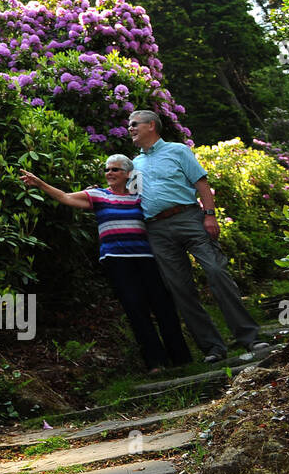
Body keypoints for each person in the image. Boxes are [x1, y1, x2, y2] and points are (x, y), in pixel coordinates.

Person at [19, 155, 192, 373]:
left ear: (128, 174)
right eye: (107, 169)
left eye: (115, 170)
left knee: (163, 307)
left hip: (147, 260)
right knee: (135, 310)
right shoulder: (97, 195)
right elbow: (65, 197)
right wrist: (39, 183)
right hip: (117, 262)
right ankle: (156, 362)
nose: (109, 173)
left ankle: (181, 358)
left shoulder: (141, 197)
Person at [127, 109, 269, 363]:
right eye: (129, 125)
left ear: (151, 125)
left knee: (216, 271)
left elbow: (201, 184)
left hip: (189, 218)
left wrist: (210, 215)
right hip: (156, 229)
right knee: (180, 289)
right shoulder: (134, 164)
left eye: (134, 124)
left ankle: (250, 337)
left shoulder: (178, 151)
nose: (130, 128)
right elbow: (131, 197)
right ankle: (212, 347)